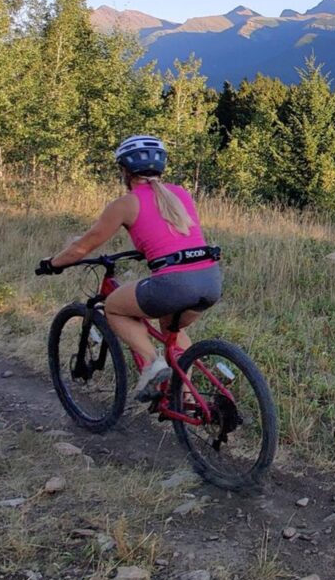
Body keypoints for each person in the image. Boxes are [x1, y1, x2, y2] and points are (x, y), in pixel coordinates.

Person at [38, 135, 220, 402]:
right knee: (173, 332)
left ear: (124, 170)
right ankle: (185, 399)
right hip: (210, 280)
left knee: (113, 307)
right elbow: (171, 235)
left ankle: (151, 365)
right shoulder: (179, 194)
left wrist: (52, 264)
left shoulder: (125, 204)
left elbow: (83, 247)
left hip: (173, 283)